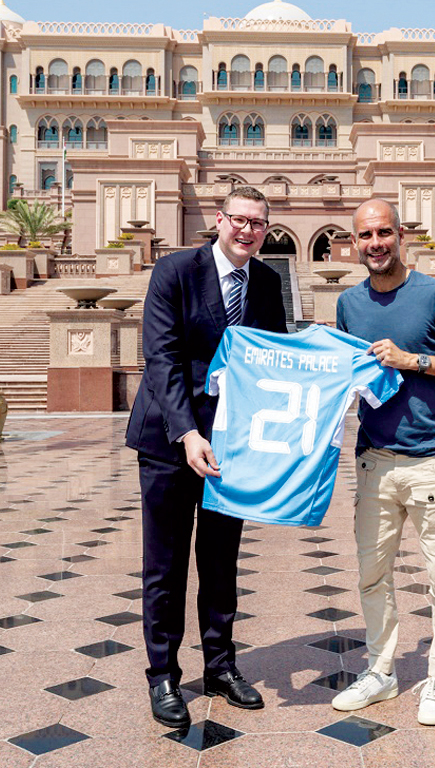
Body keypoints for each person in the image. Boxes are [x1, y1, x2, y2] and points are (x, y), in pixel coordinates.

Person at [125, 186, 288, 728]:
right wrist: (188, 433)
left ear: (266, 229)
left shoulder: (266, 282)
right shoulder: (175, 272)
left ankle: (220, 665)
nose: (247, 231)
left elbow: (275, 357)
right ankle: (162, 676)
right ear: (219, 221)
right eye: (239, 220)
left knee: (220, 561)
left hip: (232, 448)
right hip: (172, 443)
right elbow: (162, 357)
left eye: (258, 223)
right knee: (166, 565)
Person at [333, 199, 435, 726]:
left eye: (383, 232)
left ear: (400, 235)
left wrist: (413, 360)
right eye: (364, 235)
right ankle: (381, 671)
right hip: (374, 462)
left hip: (430, 461)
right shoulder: (349, 303)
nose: (374, 243)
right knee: (372, 575)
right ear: (354, 243)